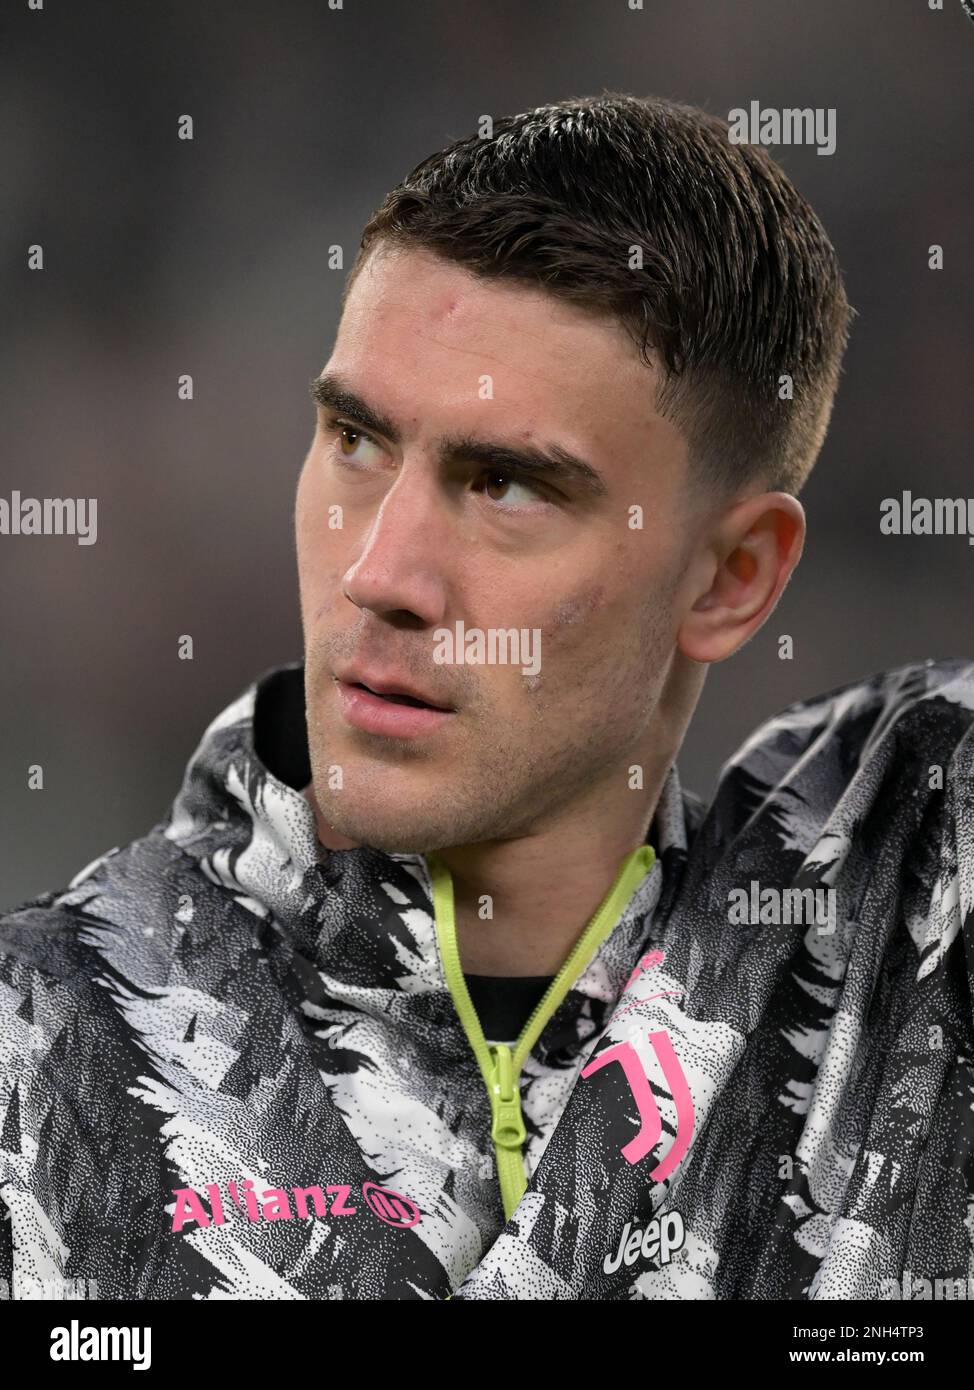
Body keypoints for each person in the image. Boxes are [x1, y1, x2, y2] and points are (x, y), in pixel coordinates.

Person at [2, 92, 972, 1303]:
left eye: (505, 484)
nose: (379, 573)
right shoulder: (30, 1049)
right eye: (354, 439)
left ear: (729, 579)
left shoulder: (899, 937)